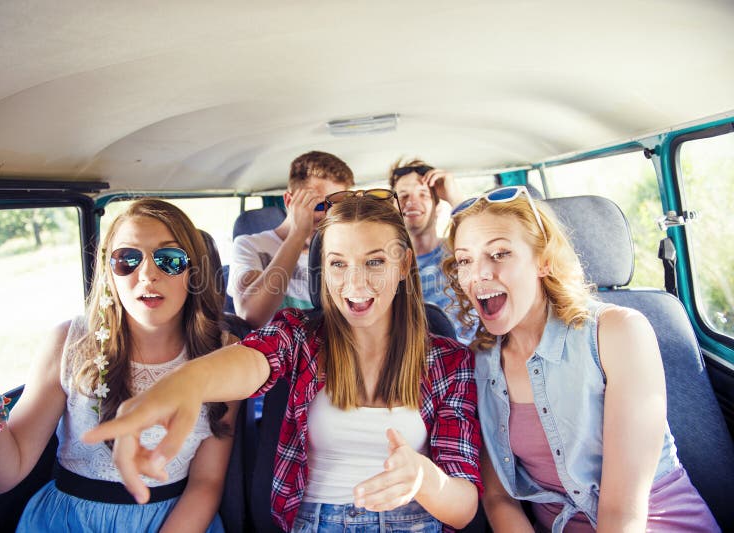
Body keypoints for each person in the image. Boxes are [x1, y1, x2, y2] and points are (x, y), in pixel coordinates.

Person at [84, 192, 483, 532]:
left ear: (404, 265)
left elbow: (463, 508)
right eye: (338, 263)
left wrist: (425, 479)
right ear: (321, 271)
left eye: (375, 262)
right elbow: (250, 362)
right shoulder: (299, 336)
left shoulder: (449, 361)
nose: (355, 282)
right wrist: (185, 383)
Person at [0, 199, 239, 533]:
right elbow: (0, 478)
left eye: (169, 260)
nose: (149, 274)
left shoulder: (222, 354)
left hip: (175, 522)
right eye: (127, 260)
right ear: (109, 273)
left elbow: (207, 482)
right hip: (67, 522)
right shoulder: (70, 341)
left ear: (192, 269)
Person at [442, 186, 719, 532]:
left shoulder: (619, 333)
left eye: (499, 254)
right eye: (465, 260)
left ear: (543, 261)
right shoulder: (475, 364)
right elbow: (499, 498)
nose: (478, 273)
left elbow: (623, 513)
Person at [228, 150, 354, 329]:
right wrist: (298, 234)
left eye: (336, 206)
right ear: (289, 201)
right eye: (318, 205)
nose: (328, 216)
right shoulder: (250, 245)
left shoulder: (339, 251)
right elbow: (251, 315)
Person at [389, 158, 476, 344]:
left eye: (423, 194)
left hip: (479, 359)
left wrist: (455, 198)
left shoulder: (460, 249)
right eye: (403, 196)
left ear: (437, 207)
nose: (411, 202)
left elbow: (487, 243)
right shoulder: (386, 266)